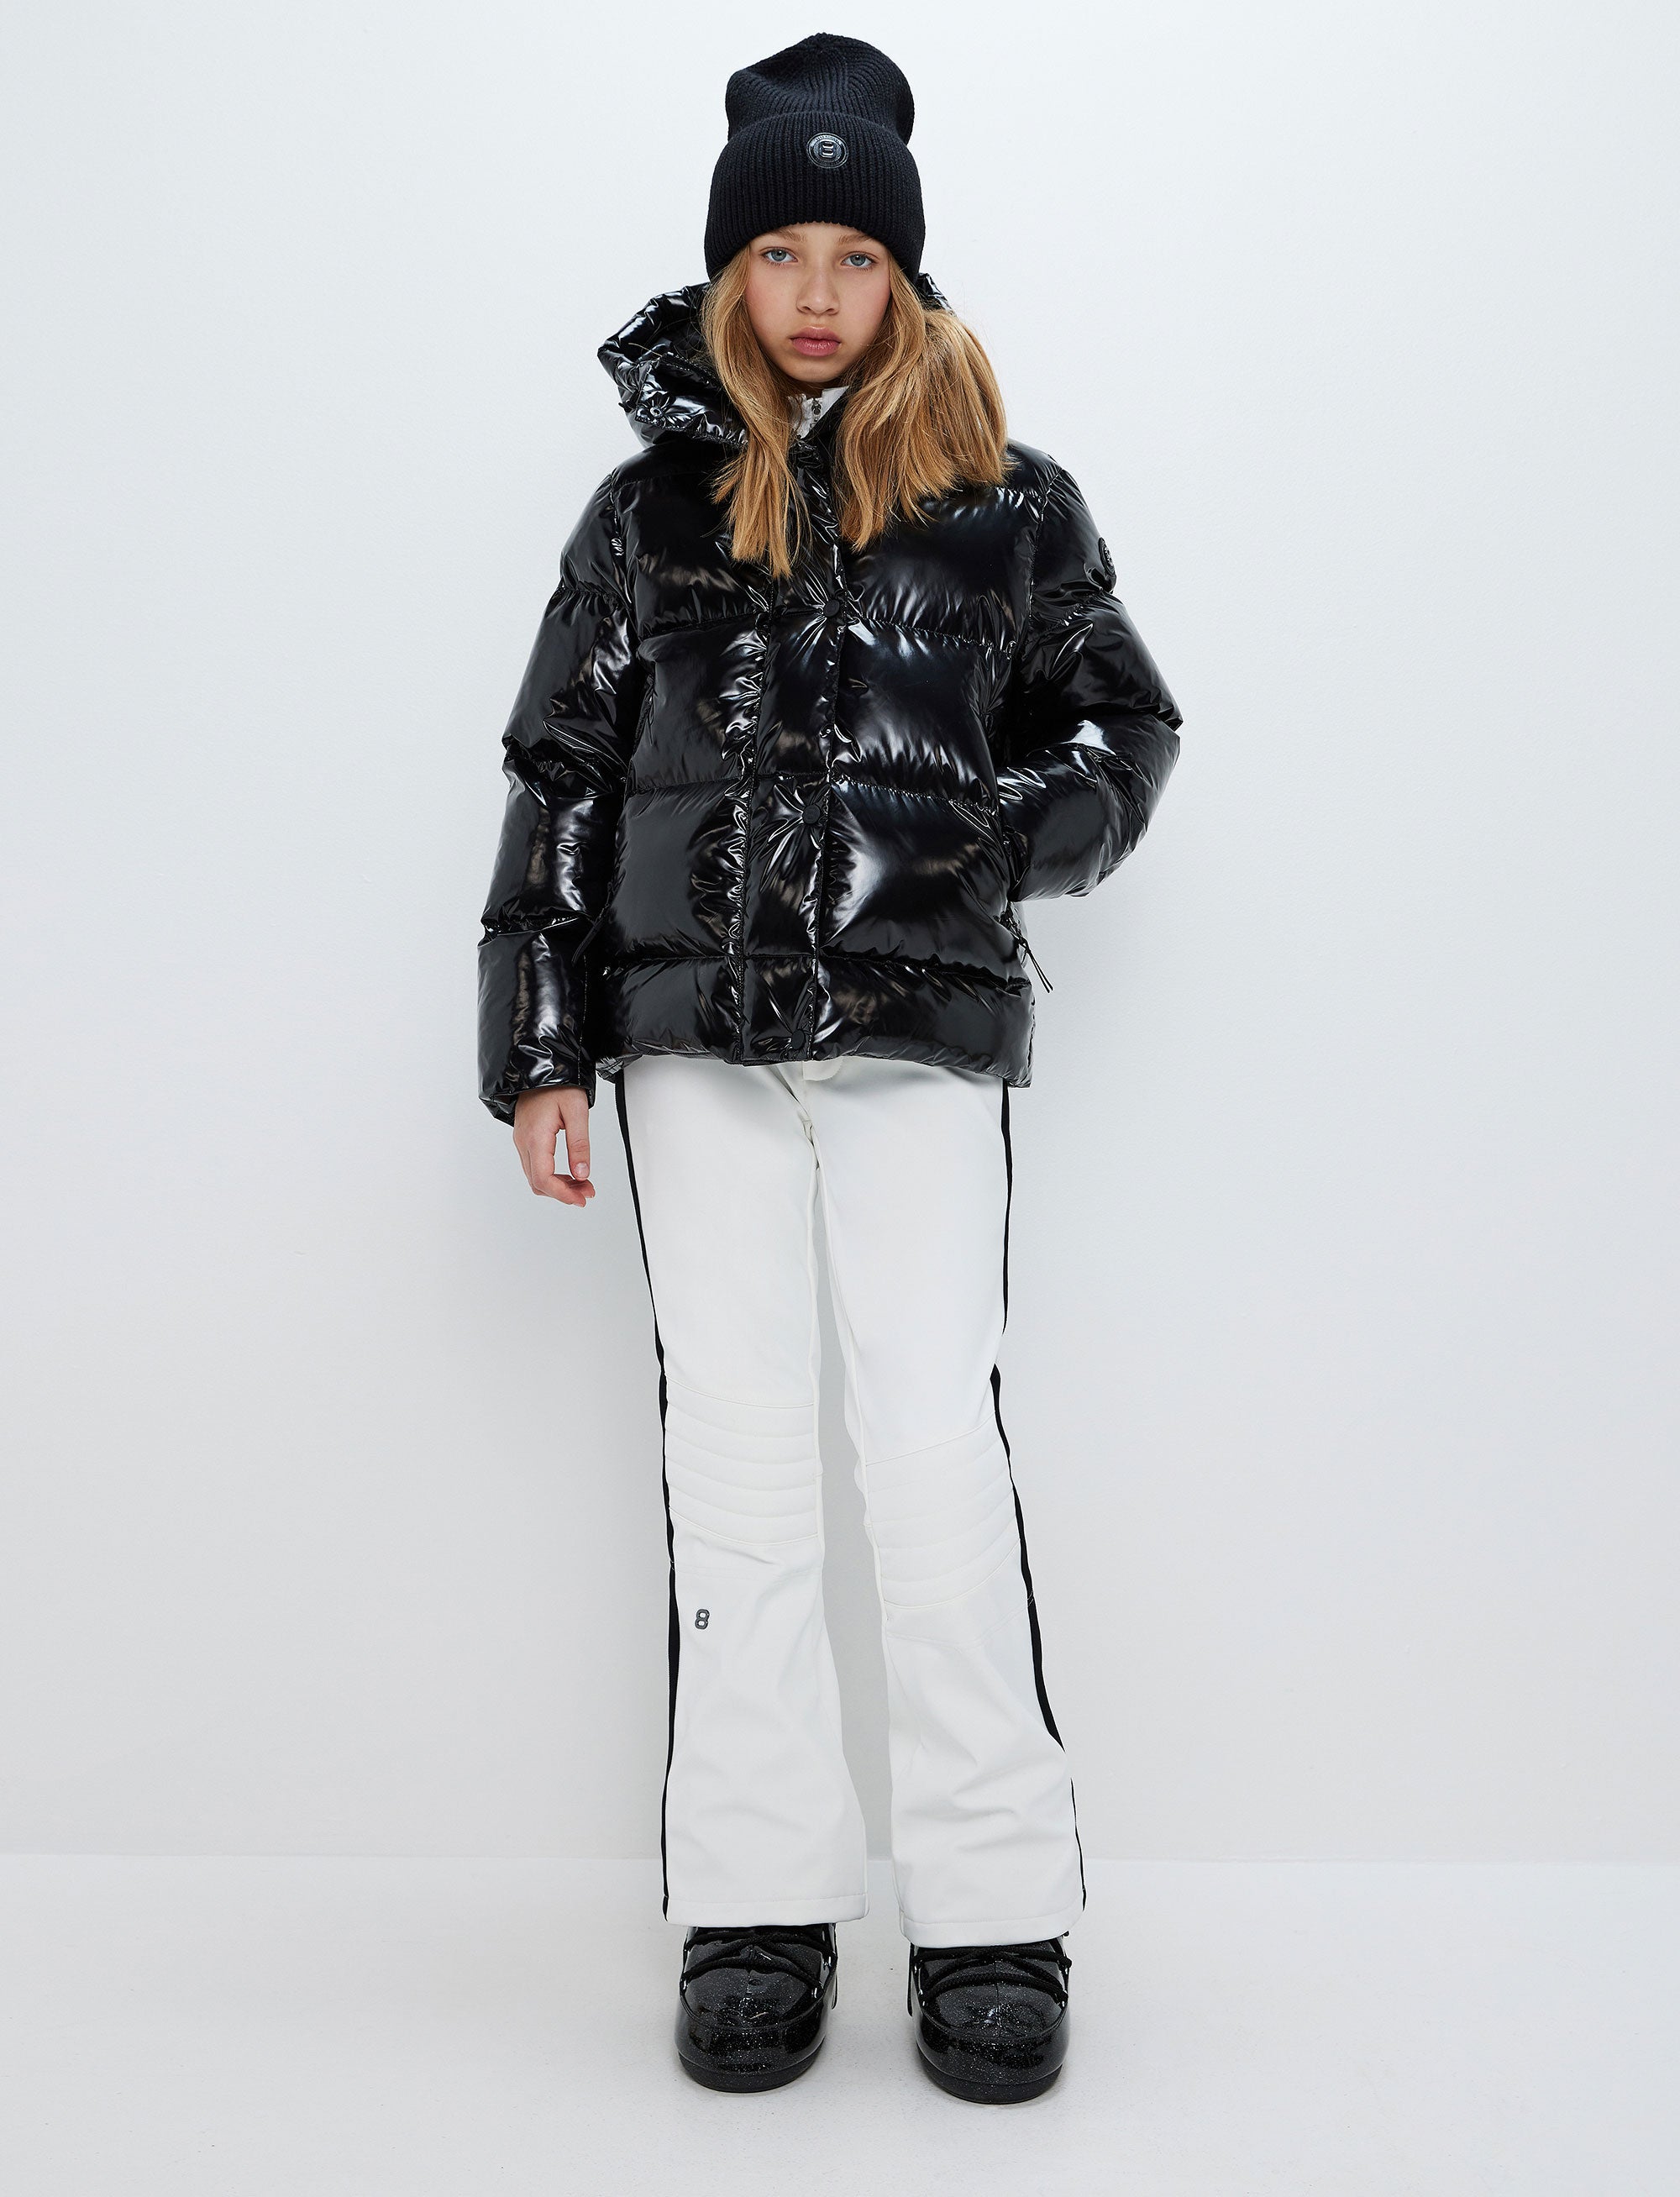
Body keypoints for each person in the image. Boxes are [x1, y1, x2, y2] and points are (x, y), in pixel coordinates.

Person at [476, 31, 1182, 2103]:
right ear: (730, 274)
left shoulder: (1006, 507)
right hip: (692, 1048)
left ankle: (992, 1909)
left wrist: (979, 841)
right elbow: (562, 779)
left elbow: (1123, 732)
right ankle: (758, 1902)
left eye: (851, 254)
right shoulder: (647, 517)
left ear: (902, 277)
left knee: (934, 1462)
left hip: (914, 1045)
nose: (812, 291)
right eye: (777, 251)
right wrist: (539, 1049)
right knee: (739, 1470)